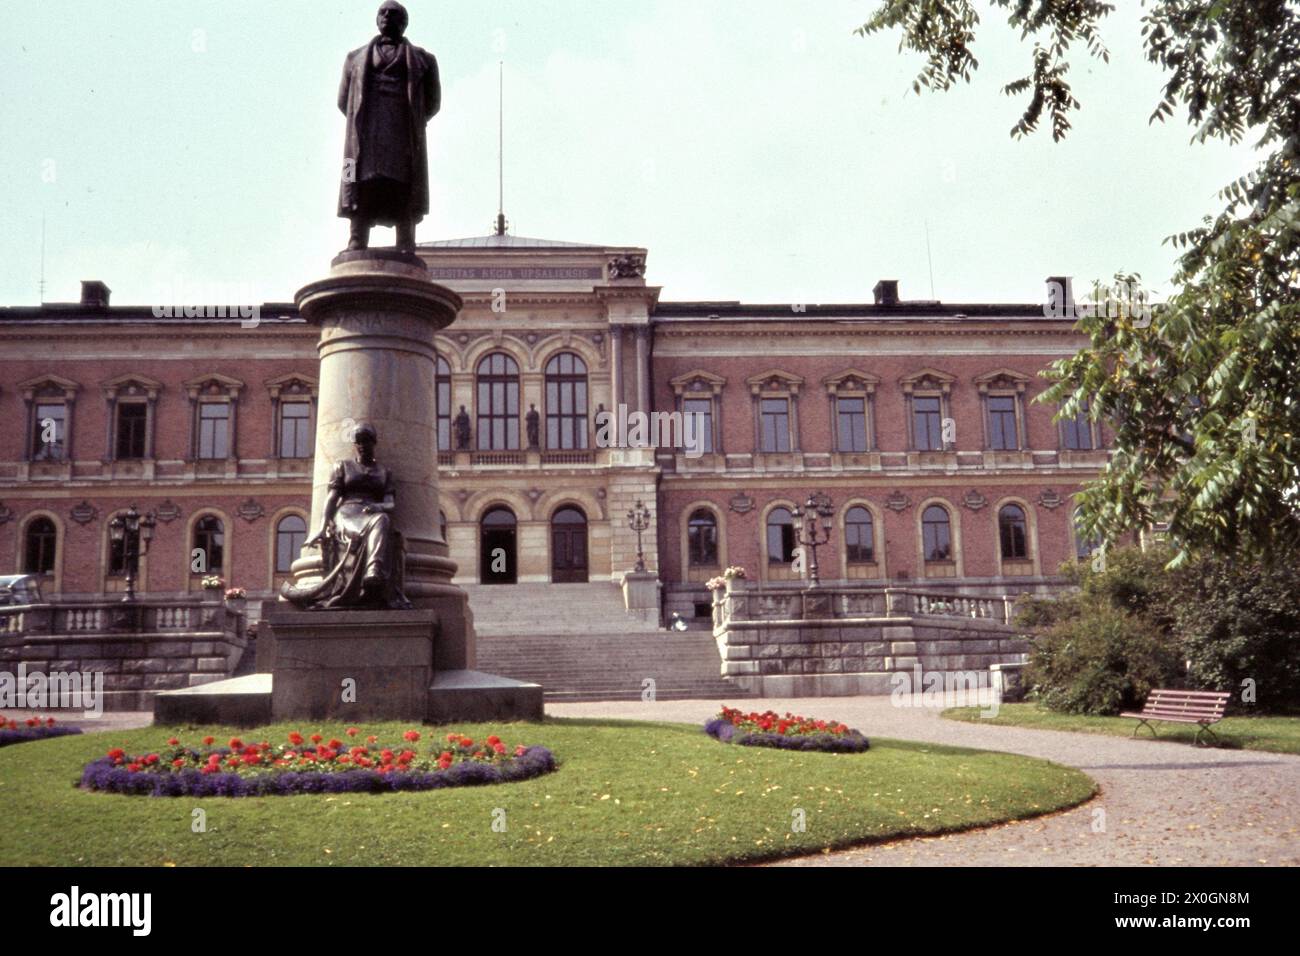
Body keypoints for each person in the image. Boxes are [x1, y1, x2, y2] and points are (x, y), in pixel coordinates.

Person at [337, 1, 440, 253]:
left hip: (402, 134)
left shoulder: (424, 60)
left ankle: (405, 241)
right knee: (358, 181)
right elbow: (343, 101)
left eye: (392, 14)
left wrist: (407, 118)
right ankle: (356, 238)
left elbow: (433, 102)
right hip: (363, 136)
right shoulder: (354, 59)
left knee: (404, 184)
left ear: (403, 23)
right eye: (382, 13)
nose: (386, 17)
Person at [281, 423, 412, 609]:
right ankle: (369, 572)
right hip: (347, 513)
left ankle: (373, 570)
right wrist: (322, 526)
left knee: (382, 519)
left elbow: (390, 504)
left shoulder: (384, 472)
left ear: (374, 443)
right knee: (378, 521)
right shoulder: (343, 466)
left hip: (373, 511)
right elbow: (332, 498)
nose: (362, 446)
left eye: (366, 441)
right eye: (358, 442)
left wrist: (377, 506)